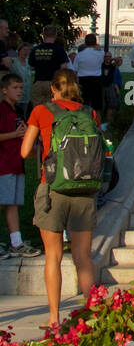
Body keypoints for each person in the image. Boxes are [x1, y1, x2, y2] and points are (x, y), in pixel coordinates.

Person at [20, 70, 102, 329]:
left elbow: (24, 151)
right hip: (85, 190)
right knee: (83, 256)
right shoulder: (90, 113)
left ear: (54, 90)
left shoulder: (42, 111)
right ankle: (93, 315)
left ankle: (54, 317)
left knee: (53, 256)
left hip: (53, 188)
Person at [0, 73, 38, 258]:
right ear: (4, 90)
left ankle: (16, 241)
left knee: (13, 204)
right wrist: (15, 134)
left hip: (16, 164)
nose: (19, 91)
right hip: (4, 164)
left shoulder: (16, 110)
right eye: (15, 87)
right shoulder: (2, 110)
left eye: (21, 88)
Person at [28, 25, 69, 108]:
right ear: (55, 35)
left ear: (43, 35)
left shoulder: (36, 49)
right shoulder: (59, 49)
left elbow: (31, 66)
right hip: (53, 83)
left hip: (38, 82)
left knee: (38, 109)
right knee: (53, 109)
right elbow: (64, 67)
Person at [72, 34, 104, 114]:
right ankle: (98, 124)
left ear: (85, 43)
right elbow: (100, 49)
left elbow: (75, 71)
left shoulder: (79, 55)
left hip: (83, 80)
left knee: (83, 104)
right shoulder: (100, 54)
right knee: (97, 106)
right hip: (96, 80)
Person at [10, 42, 33, 111]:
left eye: (28, 50)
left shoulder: (29, 63)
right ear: (19, 50)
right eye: (24, 50)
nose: (26, 52)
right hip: (15, 95)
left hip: (26, 95)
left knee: (23, 116)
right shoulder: (13, 62)